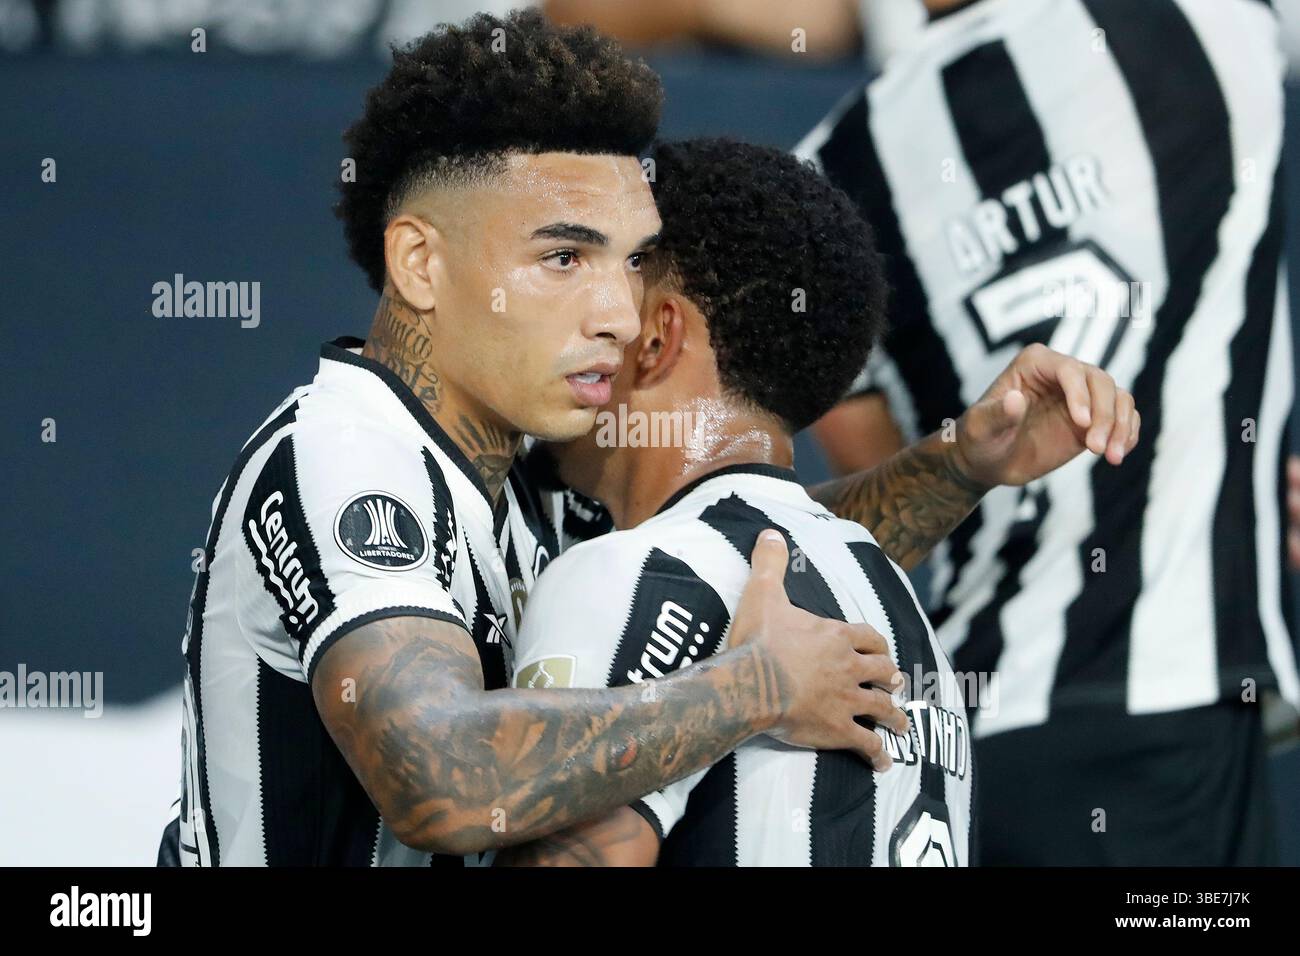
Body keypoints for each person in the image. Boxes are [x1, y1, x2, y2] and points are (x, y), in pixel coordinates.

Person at [168, 10, 906, 868]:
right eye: (564, 258)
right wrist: (753, 689)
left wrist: (964, 466)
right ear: (419, 264)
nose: (620, 316)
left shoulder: (515, 484)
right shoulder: (343, 452)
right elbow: (437, 776)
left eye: (634, 261)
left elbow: (734, 555)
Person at [497, 138, 1138, 866]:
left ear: (655, 339)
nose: (582, 316)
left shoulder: (629, 578)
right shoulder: (899, 618)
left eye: (611, 278)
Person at [797, 0, 1298, 864]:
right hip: (1166, 711)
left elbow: (876, 493)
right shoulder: (1218, 22)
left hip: (945, 745)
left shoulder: (828, 174)